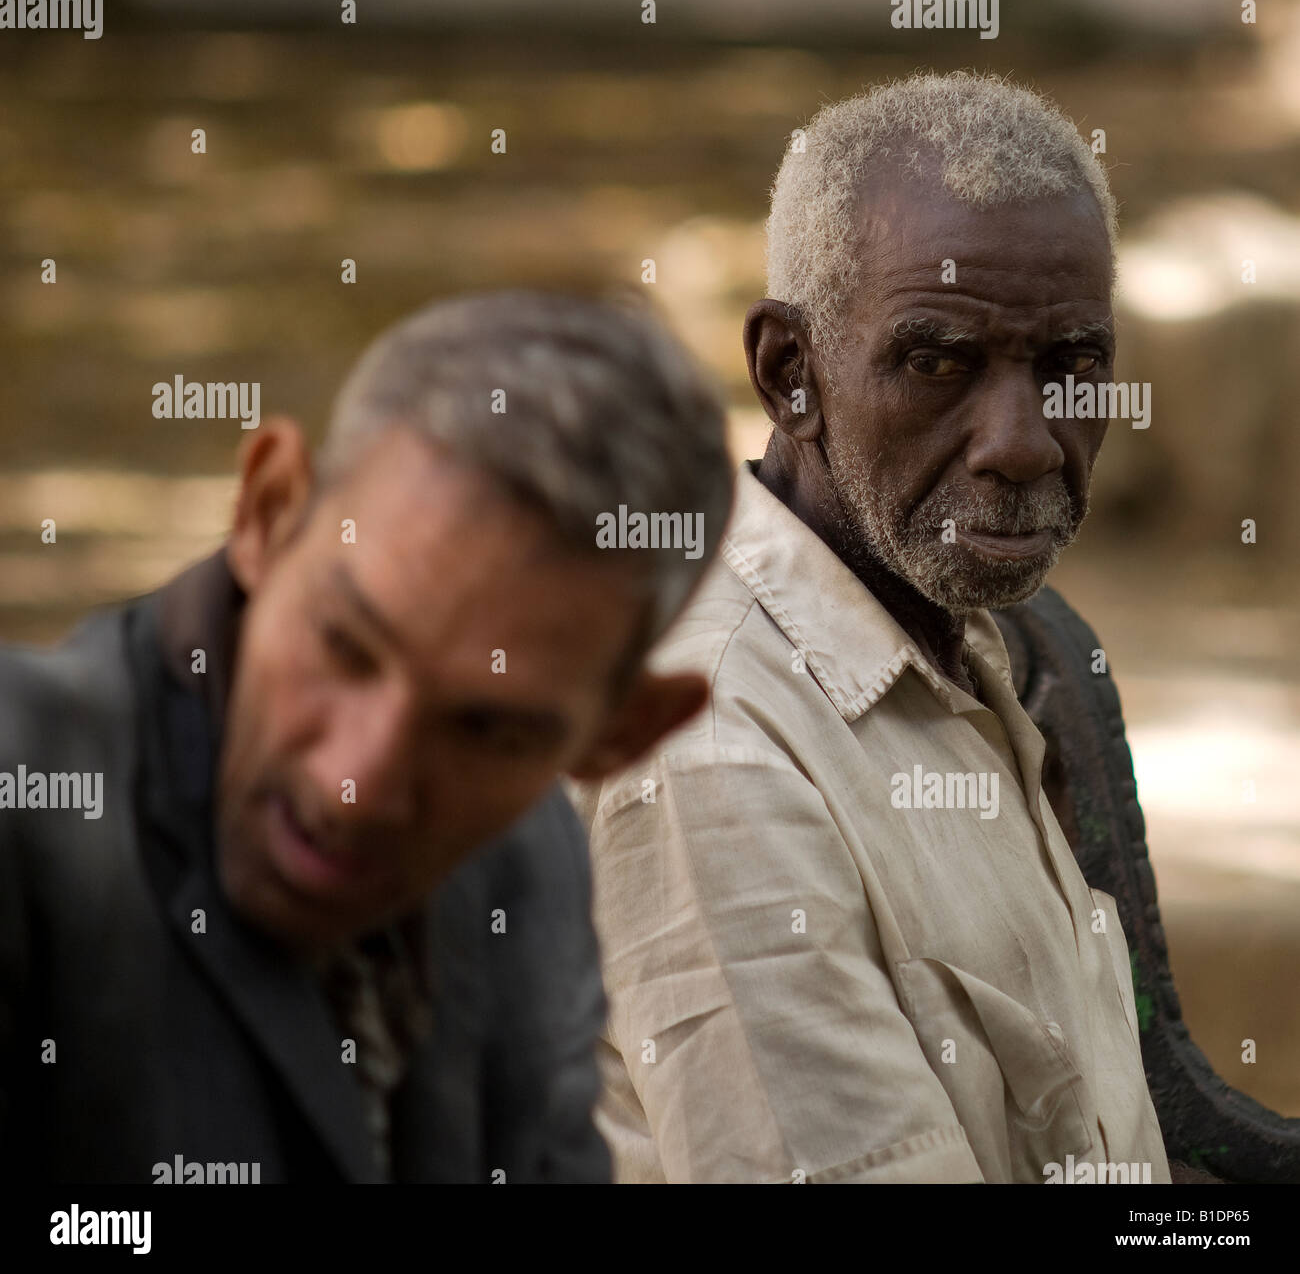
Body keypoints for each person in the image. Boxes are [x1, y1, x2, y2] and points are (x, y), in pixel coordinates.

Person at [570, 72, 1173, 1184]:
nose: (1024, 443)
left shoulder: (946, 634)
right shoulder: (714, 747)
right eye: (938, 362)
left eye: (1070, 368)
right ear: (789, 375)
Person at [0, 289, 733, 1183]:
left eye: (487, 730)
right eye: (345, 647)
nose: (362, 780)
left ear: (623, 735)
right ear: (267, 511)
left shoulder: (528, 862)